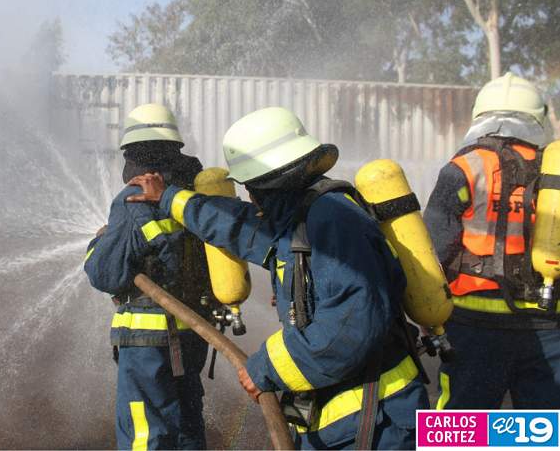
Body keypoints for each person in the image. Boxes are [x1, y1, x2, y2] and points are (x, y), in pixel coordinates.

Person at [128, 107, 428, 449]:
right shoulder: (299, 218)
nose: (250, 196)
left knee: (488, 432)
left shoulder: (334, 222)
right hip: (340, 418)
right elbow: (237, 225)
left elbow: (348, 330)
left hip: (376, 423)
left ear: (268, 182)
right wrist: (167, 197)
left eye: (251, 186)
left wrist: (266, 367)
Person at [423, 72, 560, 409]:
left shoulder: (464, 167)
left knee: (460, 428)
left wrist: (425, 313)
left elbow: (433, 248)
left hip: (473, 325)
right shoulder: (553, 171)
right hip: (547, 324)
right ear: (538, 119)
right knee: (544, 430)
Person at [84, 103, 211, 450]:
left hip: (147, 342)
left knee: (146, 433)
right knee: (186, 426)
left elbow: (106, 274)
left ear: (132, 153)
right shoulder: (190, 197)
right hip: (192, 334)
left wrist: (97, 243)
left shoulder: (134, 197)